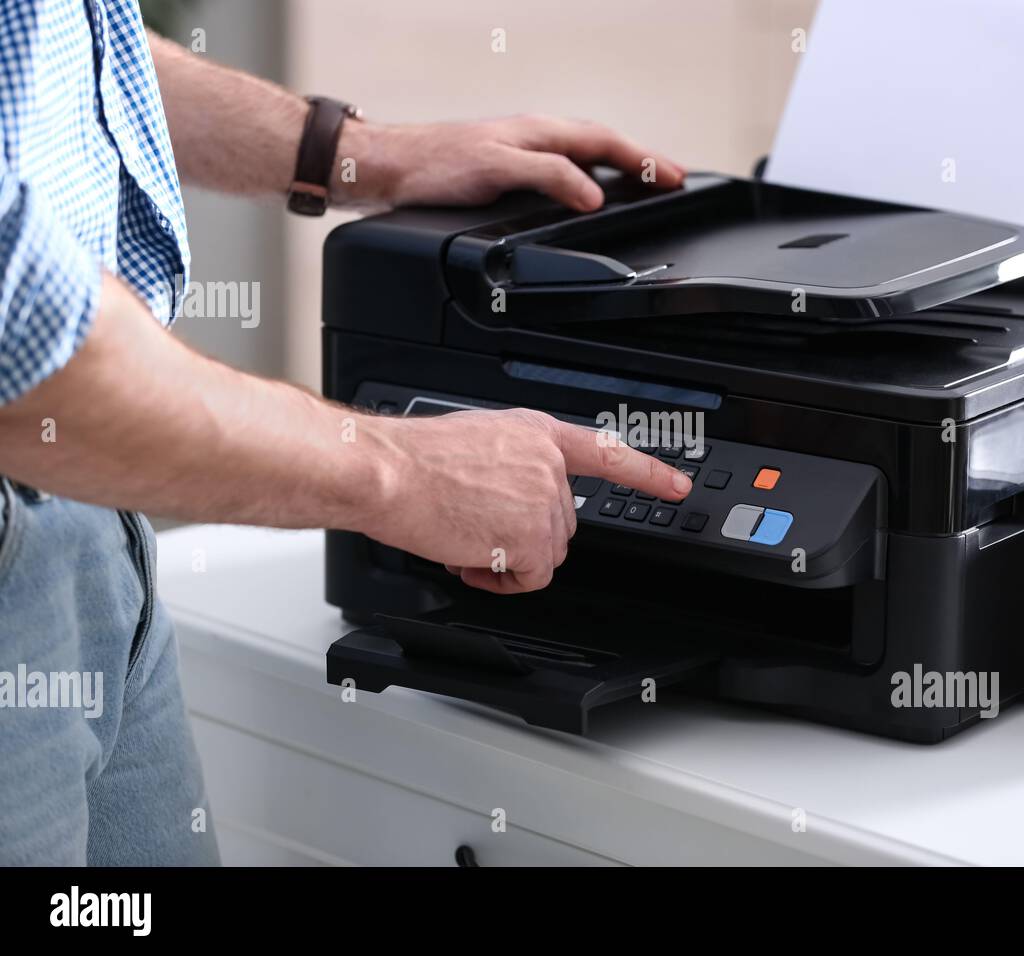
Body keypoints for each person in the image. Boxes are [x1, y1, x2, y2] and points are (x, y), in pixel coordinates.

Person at [0, 0, 692, 865]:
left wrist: (365, 154)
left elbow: (64, 48)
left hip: (97, 534)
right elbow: (23, 357)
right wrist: (402, 472)